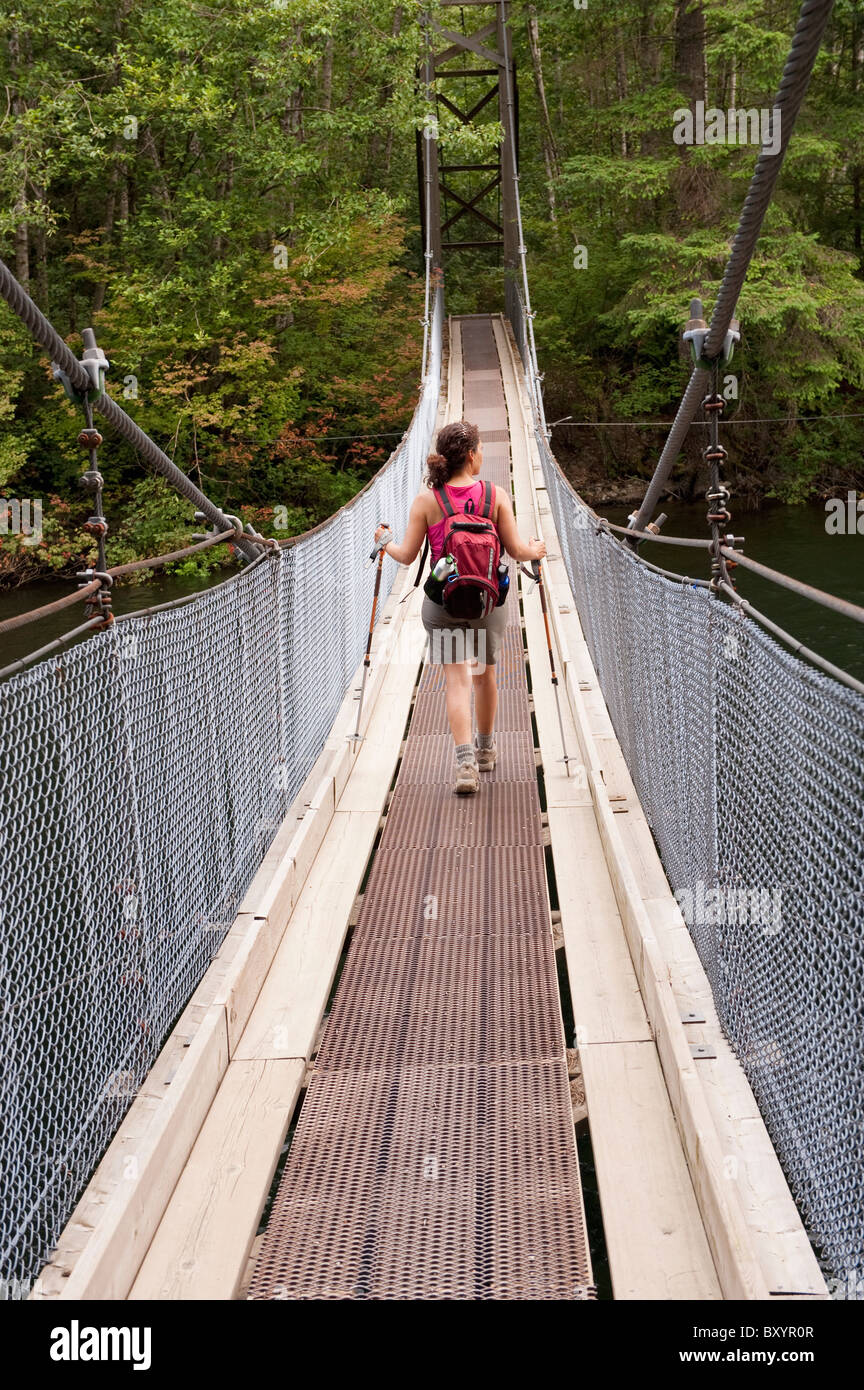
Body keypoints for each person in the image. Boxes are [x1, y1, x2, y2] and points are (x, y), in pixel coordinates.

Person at [374, 419, 546, 796]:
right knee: (484, 676)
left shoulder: (427, 501)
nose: (481, 454)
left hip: (443, 604)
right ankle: (486, 751)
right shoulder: (495, 495)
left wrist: (384, 541)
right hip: (488, 604)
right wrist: (537, 550)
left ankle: (465, 764)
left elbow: (405, 556)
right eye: (480, 448)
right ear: (471, 456)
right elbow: (517, 551)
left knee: (456, 680)